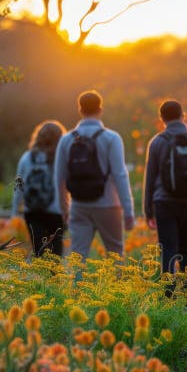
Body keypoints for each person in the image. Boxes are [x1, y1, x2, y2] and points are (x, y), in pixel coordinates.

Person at [54, 90, 135, 259]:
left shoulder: (66, 139)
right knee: (115, 254)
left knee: (78, 256)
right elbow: (120, 175)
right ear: (100, 109)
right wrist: (128, 211)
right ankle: (116, 286)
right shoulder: (111, 138)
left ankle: (77, 286)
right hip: (108, 205)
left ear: (80, 110)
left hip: (79, 205)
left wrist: (64, 209)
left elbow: (59, 177)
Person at [143, 100, 187, 273]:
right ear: (183, 115)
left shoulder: (157, 142)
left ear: (162, 119)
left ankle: (168, 297)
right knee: (186, 250)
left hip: (164, 202)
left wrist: (148, 211)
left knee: (168, 250)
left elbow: (149, 179)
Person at [12, 120, 66, 256]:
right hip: (56, 212)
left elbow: (18, 186)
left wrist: (14, 212)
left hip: (32, 212)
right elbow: (67, 186)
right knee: (55, 255)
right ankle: (55, 277)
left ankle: (41, 277)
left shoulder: (27, 157)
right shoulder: (61, 158)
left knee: (39, 253)